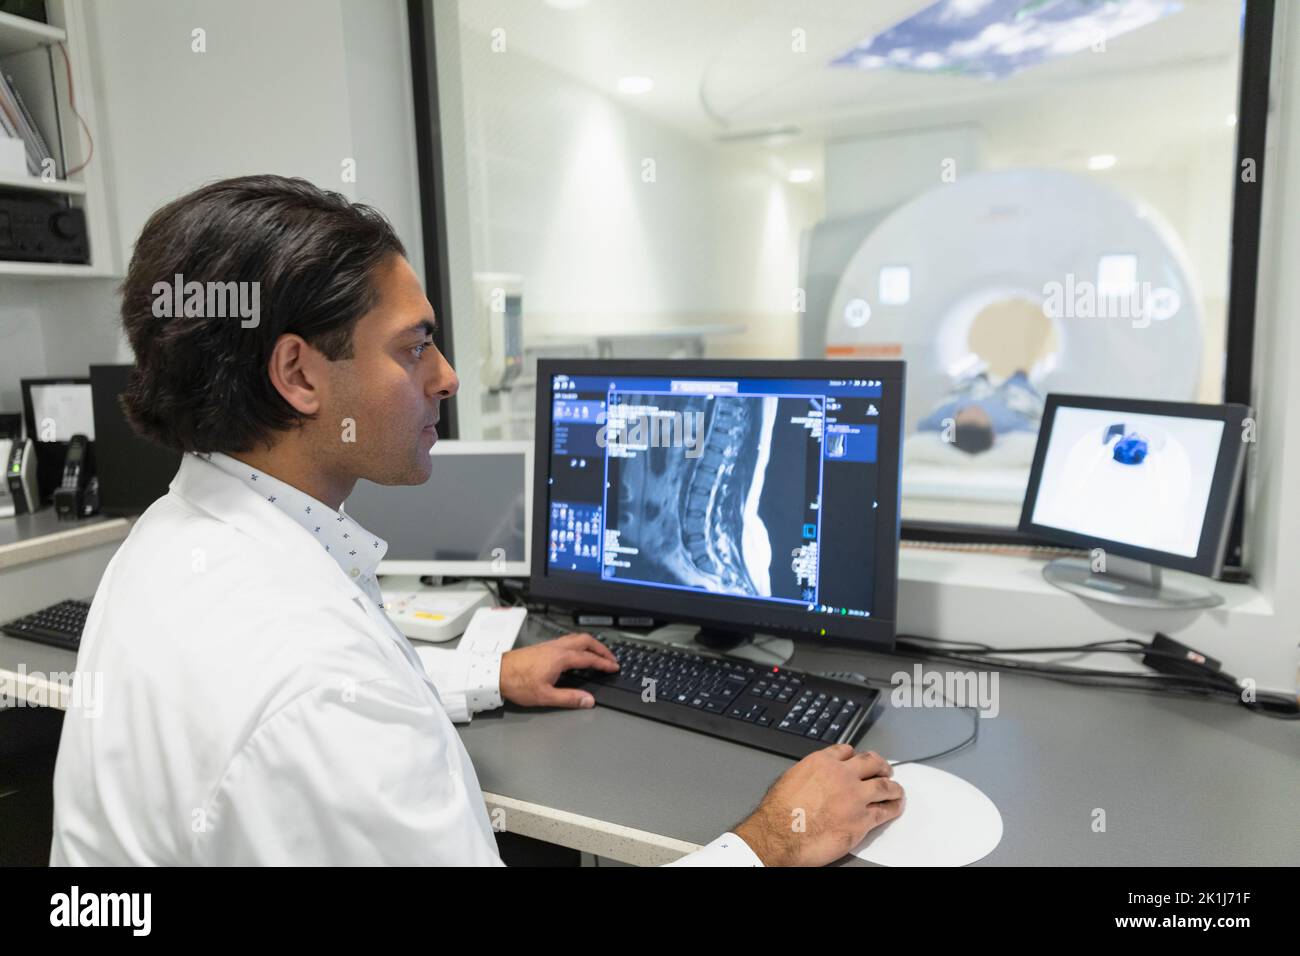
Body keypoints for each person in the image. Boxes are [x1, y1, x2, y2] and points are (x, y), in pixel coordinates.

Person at [49, 175, 903, 866]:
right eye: (414, 346)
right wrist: (768, 843)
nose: (448, 376)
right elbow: (321, 707)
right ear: (300, 377)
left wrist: (482, 679)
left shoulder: (175, 541)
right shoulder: (312, 688)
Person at [916, 368, 1044, 455]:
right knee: (1018, 384)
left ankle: (979, 377)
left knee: (971, 383)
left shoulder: (941, 420)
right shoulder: (1011, 425)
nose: (975, 408)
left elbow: (922, 426)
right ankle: (1018, 376)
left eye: (964, 413)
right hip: (1009, 396)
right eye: (979, 414)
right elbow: (1036, 431)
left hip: (970, 391)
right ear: (994, 435)